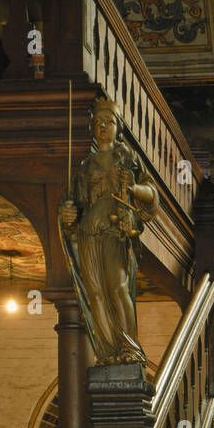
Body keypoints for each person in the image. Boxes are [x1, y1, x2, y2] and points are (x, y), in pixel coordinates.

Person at [58, 95, 160, 365]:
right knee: (96, 294)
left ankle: (130, 347)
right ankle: (108, 351)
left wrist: (134, 187)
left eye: (109, 121)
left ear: (118, 128)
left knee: (117, 287)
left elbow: (151, 194)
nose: (103, 126)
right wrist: (68, 217)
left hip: (115, 232)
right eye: (98, 122)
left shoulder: (127, 158)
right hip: (88, 235)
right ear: (92, 127)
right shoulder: (84, 167)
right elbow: (71, 205)